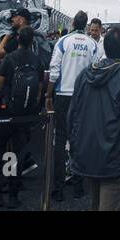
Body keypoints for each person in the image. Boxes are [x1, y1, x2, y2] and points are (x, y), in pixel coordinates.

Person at [68, 26, 120, 211]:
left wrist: (75, 146)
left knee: (95, 204)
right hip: (116, 158)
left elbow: (72, 114)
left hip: (88, 152)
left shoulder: (85, 74)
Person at [0, 24, 44, 209]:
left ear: (18, 40)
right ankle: (13, 194)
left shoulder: (10, 59)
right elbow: (40, 88)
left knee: (0, 150)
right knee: (17, 152)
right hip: (24, 114)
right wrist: (32, 107)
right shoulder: (36, 60)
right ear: (32, 41)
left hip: (5, 111)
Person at [48, 10, 100, 201]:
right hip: (83, 97)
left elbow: (54, 70)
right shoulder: (92, 44)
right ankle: (78, 187)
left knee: (60, 141)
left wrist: (48, 95)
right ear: (86, 25)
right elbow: (96, 71)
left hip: (63, 95)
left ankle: (58, 189)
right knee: (79, 140)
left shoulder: (63, 41)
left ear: (72, 23)